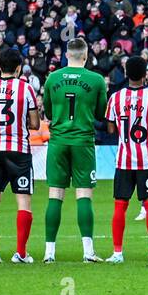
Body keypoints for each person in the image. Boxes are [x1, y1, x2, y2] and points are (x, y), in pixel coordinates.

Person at [41, 38, 107, 262]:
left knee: (55, 194)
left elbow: (48, 113)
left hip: (58, 141)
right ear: (86, 55)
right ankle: (88, 252)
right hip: (83, 142)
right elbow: (100, 114)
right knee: (84, 194)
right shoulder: (96, 80)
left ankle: (49, 252)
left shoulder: (53, 78)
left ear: (66, 55)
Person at [104, 55, 148, 263]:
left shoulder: (115, 97)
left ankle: (117, 253)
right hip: (147, 160)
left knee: (119, 205)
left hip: (124, 160)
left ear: (126, 74)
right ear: (145, 75)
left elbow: (111, 128)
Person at [0, 48, 42, 263]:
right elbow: (35, 124)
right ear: (18, 68)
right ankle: (21, 253)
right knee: (23, 201)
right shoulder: (25, 89)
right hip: (18, 151)